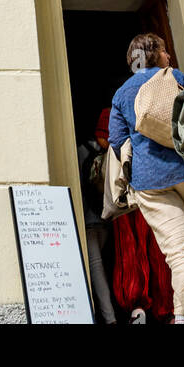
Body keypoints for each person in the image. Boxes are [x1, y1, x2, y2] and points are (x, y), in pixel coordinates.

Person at [109, 32, 184, 324]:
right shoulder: (175, 75)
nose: (169, 55)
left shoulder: (121, 94)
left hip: (150, 182)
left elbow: (118, 141)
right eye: (165, 51)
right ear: (156, 54)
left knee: (180, 254)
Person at [77, 109, 117, 324]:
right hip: (100, 220)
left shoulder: (82, 152)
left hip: (95, 221)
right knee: (99, 267)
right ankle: (109, 317)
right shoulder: (93, 153)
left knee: (98, 267)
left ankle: (109, 317)